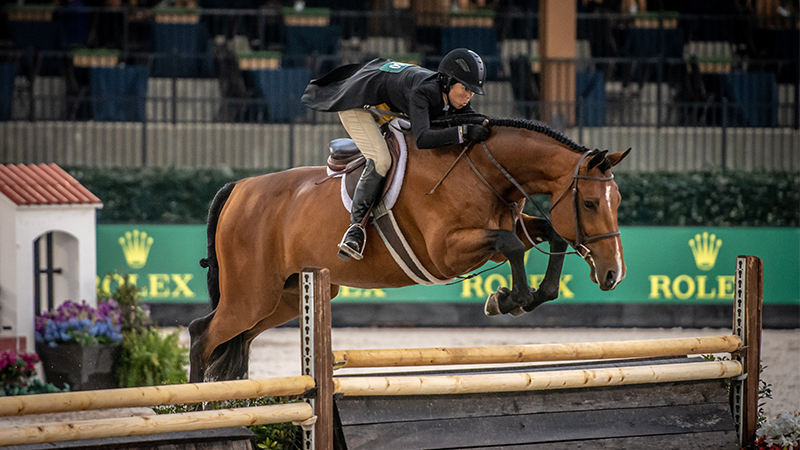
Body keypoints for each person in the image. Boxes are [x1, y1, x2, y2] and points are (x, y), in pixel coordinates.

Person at [302, 48, 491, 262]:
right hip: (358, 107)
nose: (469, 96)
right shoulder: (424, 91)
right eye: (465, 88)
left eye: (472, 91)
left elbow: (475, 120)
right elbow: (423, 138)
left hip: (383, 103)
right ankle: (355, 230)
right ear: (448, 82)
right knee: (382, 160)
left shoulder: (451, 94)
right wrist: (462, 133)